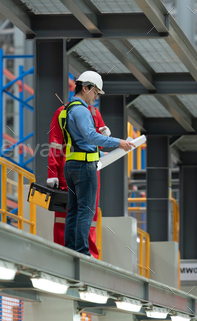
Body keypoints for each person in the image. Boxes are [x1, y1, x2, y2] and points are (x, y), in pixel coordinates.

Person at [60, 71, 134, 255]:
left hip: (70, 166)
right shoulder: (82, 110)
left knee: (74, 210)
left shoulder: (68, 109)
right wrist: (119, 142)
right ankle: (82, 252)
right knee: (86, 210)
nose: (95, 97)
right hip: (84, 168)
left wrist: (101, 150)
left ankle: (70, 249)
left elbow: (80, 141)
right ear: (85, 88)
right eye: (94, 92)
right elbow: (91, 136)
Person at [47, 95, 110, 258]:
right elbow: (55, 144)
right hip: (67, 173)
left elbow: (94, 145)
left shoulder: (95, 113)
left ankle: (87, 254)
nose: (95, 96)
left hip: (88, 169)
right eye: (94, 91)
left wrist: (105, 138)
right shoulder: (63, 112)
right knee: (68, 215)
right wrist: (52, 173)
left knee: (88, 215)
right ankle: (66, 253)